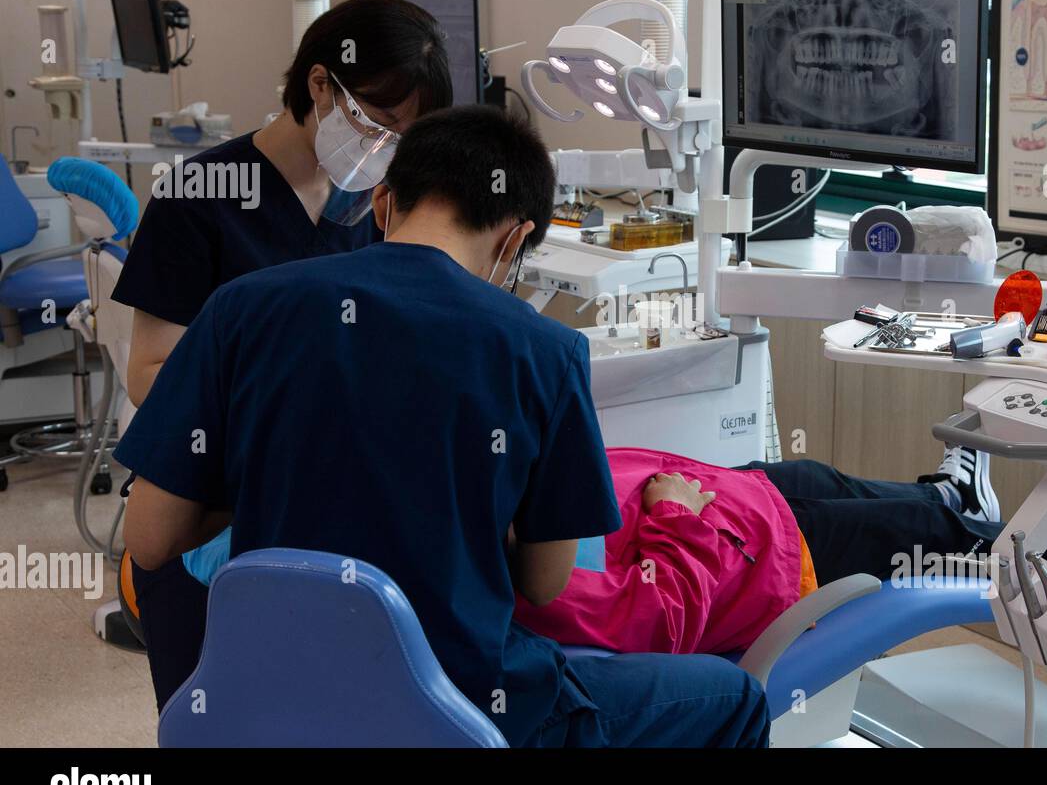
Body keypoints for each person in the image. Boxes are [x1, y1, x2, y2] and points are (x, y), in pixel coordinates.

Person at [116, 106, 770, 748]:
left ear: (382, 204)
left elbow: (149, 539)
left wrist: (272, 476)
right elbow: (544, 583)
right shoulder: (543, 350)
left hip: (267, 696)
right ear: (515, 239)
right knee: (731, 697)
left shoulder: (241, 307)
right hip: (466, 708)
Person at [111, 0, 454, 708]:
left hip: (327, 515)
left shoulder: (379, 205)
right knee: (217, 718)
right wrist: (275, 416)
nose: (384, 148)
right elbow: (147, 372)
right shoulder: (199, 196)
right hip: (206, 512)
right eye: (377, 124)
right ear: (322, 85)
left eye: (404, 136)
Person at [513, 446, 1047, 655]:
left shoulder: (500, 504)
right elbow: (662, 612)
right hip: (765, 569)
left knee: (825, 480)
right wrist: (674, 511)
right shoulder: (542, 584)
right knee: (906, 535)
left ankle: (953, 499)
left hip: (732, 501)